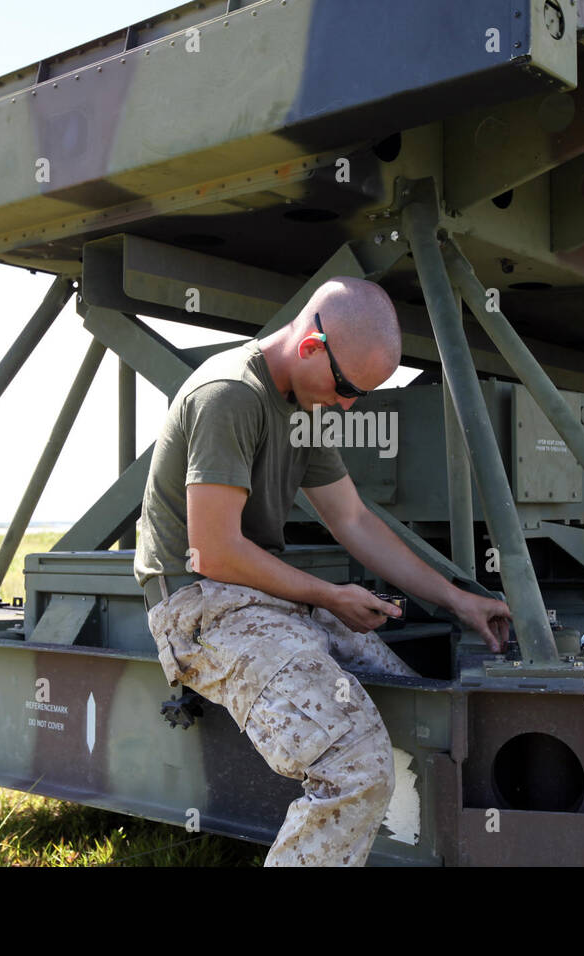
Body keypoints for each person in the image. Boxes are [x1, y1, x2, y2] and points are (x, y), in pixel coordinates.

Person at [135, 275, 512, 866]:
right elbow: (213, 552)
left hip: (263, 596)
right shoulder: (228, 394)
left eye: (359, 396)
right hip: (202, 606)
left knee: (406, 697)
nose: (347, 405)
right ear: (310, 345)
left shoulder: (306, 406)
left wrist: (456, 600)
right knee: (353, 763)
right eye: (345, 388)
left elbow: (353, 520)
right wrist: (330, 596)